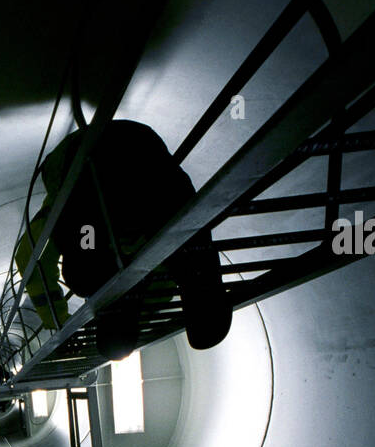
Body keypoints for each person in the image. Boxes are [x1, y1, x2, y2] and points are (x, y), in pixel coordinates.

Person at [15, 119, 231, 359]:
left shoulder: (150, 289)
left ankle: (200, 283)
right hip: (98, 167)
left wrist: (60, 320)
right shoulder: (71, 206)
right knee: (85, 270)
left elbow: (34, 255)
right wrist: (58, 322)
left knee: (90, 262)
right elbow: (30, 257)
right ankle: (198, 284)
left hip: (133, 160)